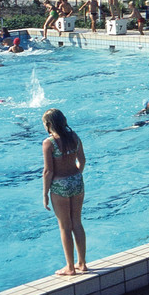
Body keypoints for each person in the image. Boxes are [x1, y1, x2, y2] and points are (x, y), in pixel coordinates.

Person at [42, 108, 87, 276]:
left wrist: (45, 193)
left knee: (64, 227)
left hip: (59, 185)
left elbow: (48, 171)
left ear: (48, 124)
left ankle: (70, 267)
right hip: (76, 181)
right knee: (77, 222)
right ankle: (82, 263)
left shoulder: (49, 143)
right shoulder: (74, 137)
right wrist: (75, 175)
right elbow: (82, 160)